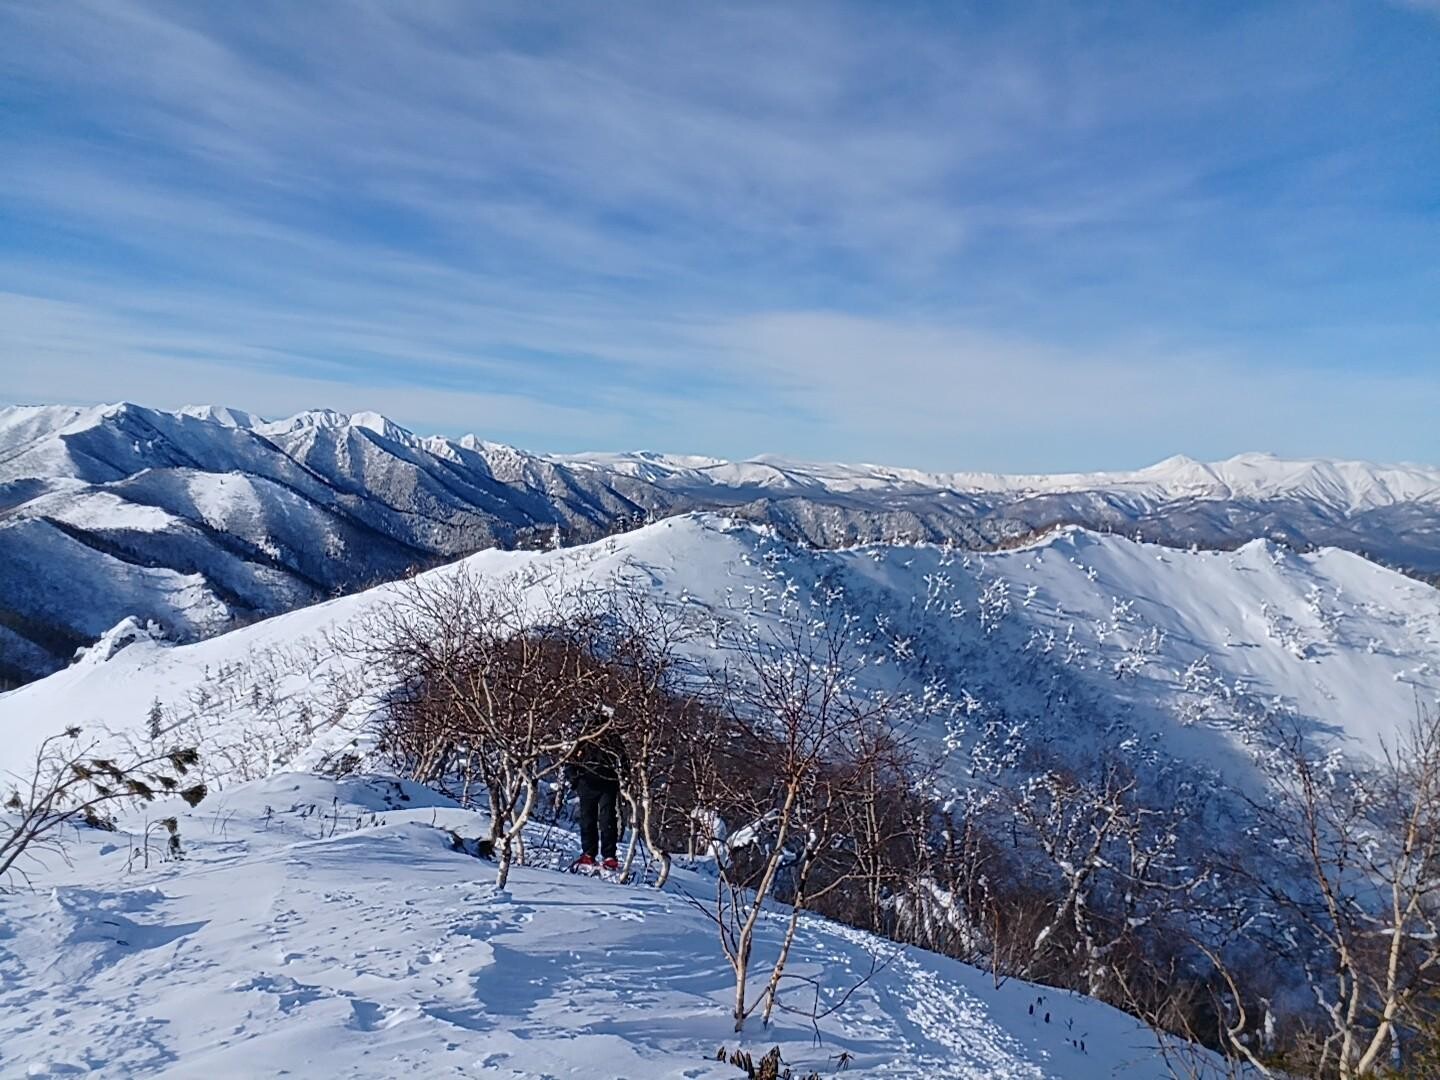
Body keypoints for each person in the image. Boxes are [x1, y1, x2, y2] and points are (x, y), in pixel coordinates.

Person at [567, 725, 627, 872]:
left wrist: (624, 777)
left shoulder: (610, 736)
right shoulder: (584, 735)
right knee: (593, 819)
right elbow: (570, 758)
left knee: (605, 819)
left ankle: (606, 855)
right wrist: (573, 777)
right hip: (589, 783)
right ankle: (593, 854)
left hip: (605, 783)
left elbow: (623, 758)